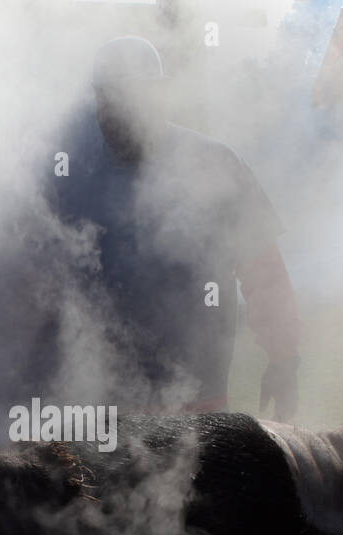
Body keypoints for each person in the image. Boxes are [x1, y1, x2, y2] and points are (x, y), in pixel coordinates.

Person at [47, 36, 300, 416]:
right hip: (98, 401)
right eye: (107, 101)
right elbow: (41, 281)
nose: (116, 114)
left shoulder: (214, 165)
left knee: (200, 476)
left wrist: (284, 359)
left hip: (196, 397)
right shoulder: (71, 175)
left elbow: (263, 272)